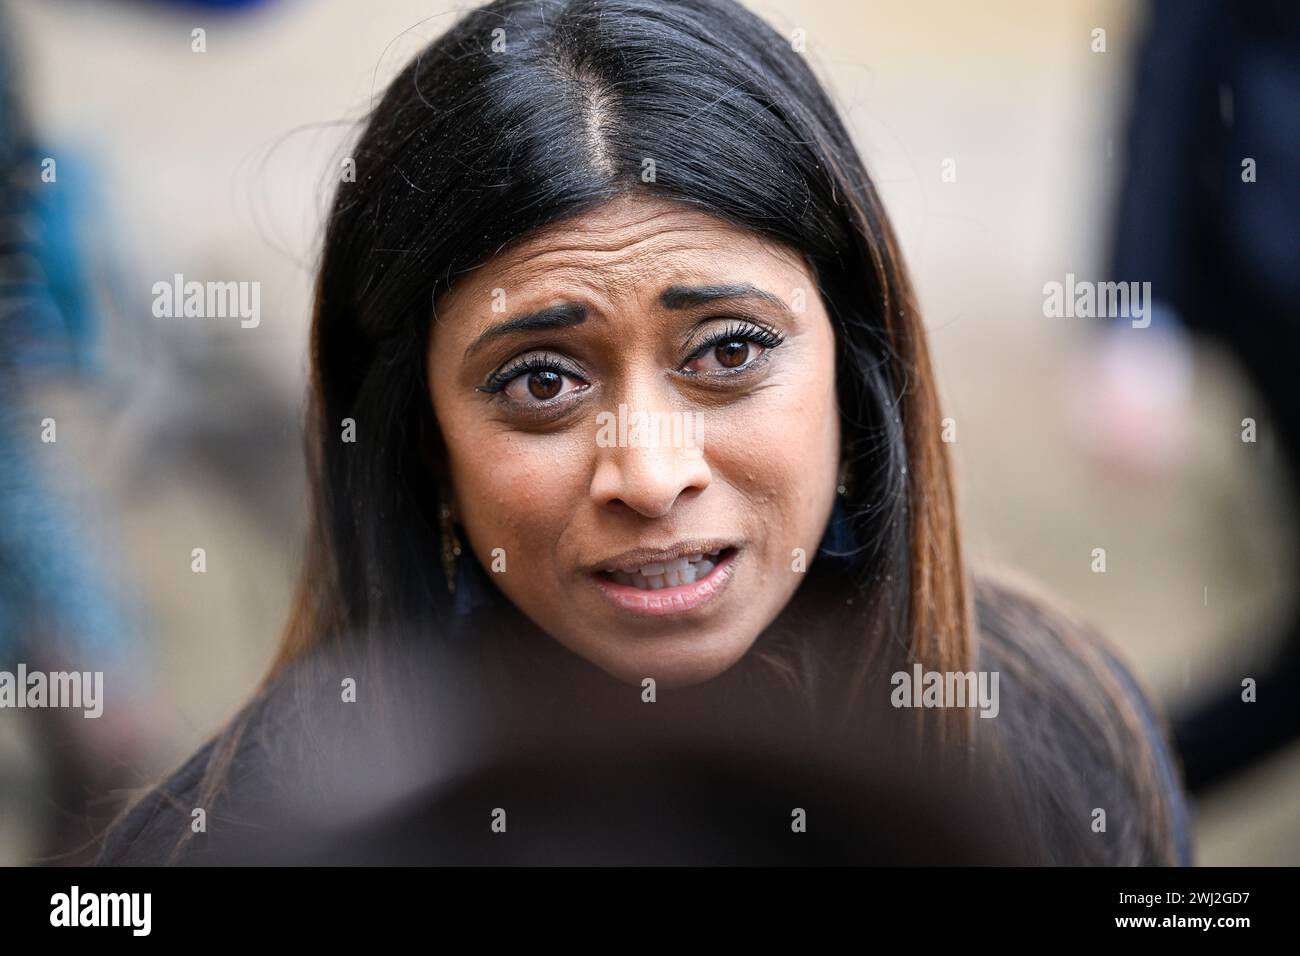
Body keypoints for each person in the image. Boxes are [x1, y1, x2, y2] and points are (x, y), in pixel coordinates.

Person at [97, 0, 1191, 866]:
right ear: (420, 439)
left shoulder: (1062, 730)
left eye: (726, 352)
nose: (651, 474)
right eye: (539, 379)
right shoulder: (238, 837)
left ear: (857, 374)